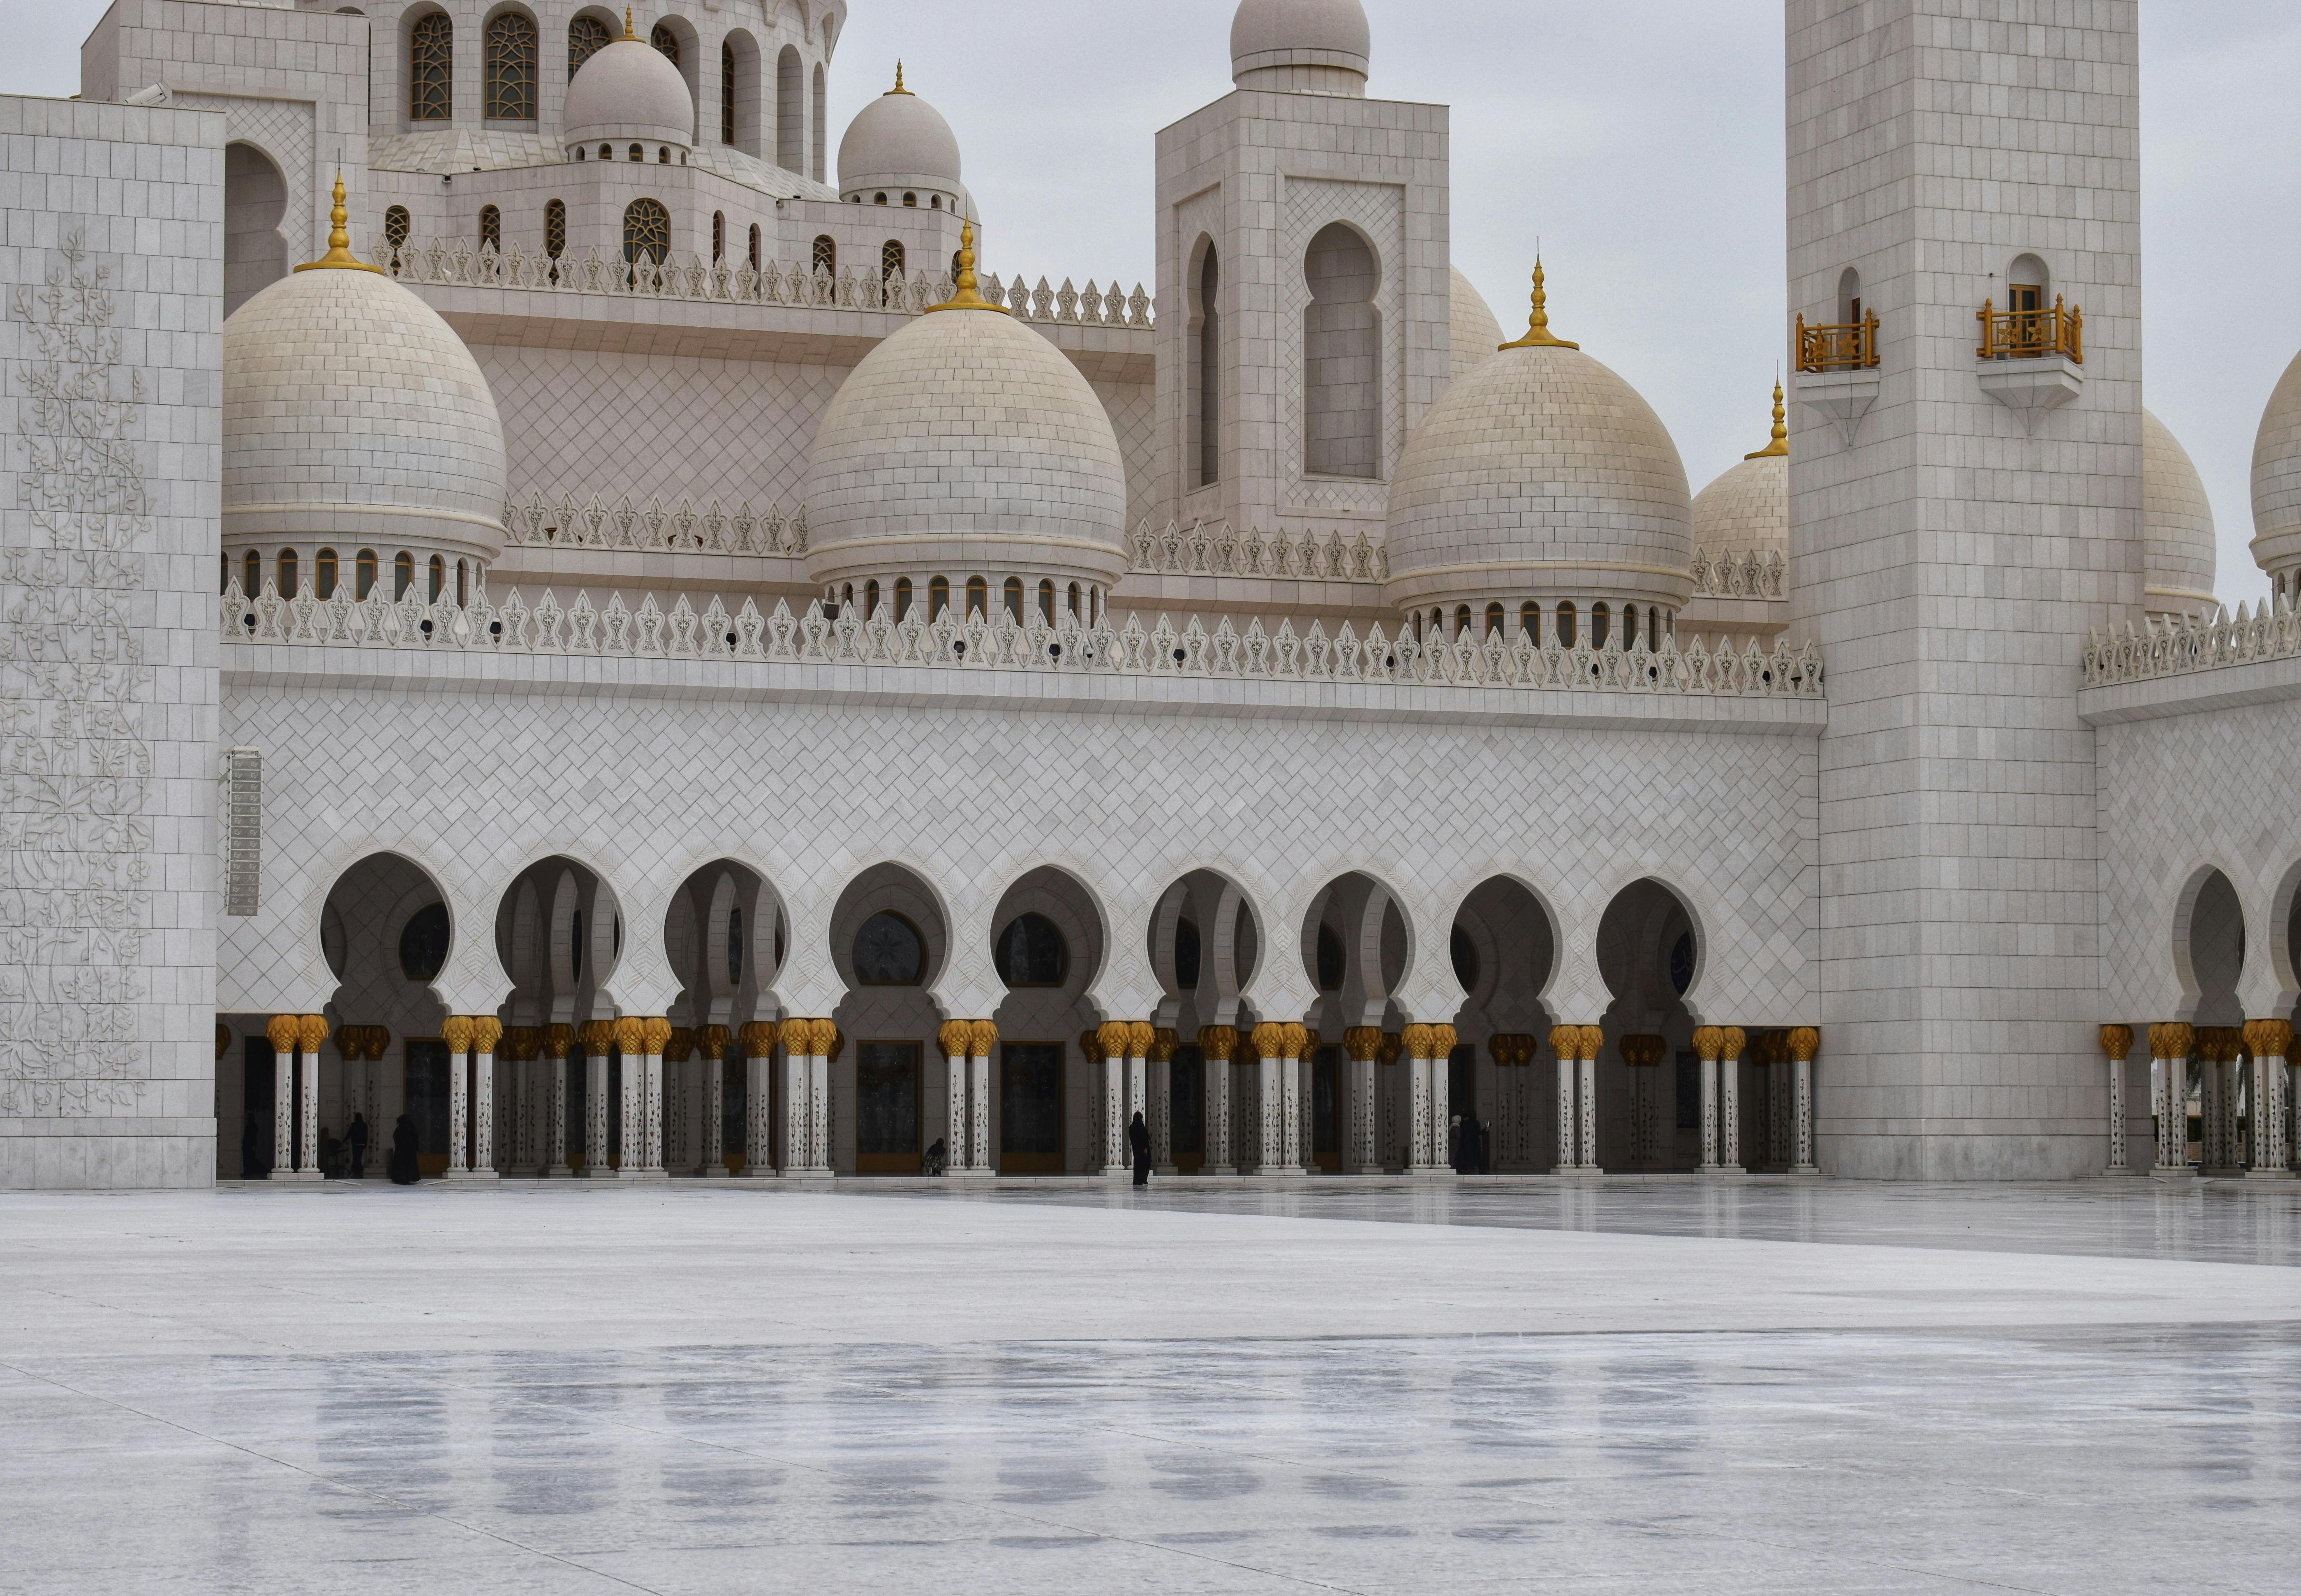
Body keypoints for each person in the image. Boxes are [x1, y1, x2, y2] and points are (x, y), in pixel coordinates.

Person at [388, 1112, 420, 1184]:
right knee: (410, 1165)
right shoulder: (412, 1127)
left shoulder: (401, 1128)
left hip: (401, 1151)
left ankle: (401, 1178)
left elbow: (396, 1137)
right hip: (410, 1151)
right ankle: (409, 1177)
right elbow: (416, 1138)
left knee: (401, 1165)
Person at [241, 1110, 266, 1179]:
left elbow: (253, 1137)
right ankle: (248, 1172)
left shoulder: (253, 1126)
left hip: (250, 1145)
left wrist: (253, 1145)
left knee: (250, 1159)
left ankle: (250, 1172)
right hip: (247, 1145)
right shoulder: (251, 1126)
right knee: (247, 1159)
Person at [1129, 1109, 1151, 1185]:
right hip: (1143, 1149)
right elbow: (1143, 1138)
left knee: (1138, 1164)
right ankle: (1142, 1179)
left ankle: (1137, 1179)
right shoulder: (1140, 1128)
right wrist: (1145, 1149)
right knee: (1145, 1163)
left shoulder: (1132, 1128)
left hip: (1136, 1150)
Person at [347, 1112, 368, 1179]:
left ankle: (355, 1170)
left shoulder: (354, 1125)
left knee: (355, 1157)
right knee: (359, 1158)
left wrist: (344, 1141)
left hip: (355, 1144)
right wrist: (366, 1144)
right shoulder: (365, 1125)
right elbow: (366, 1136)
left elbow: (349, 1134)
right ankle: (359, 1170)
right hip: (362, 1144)